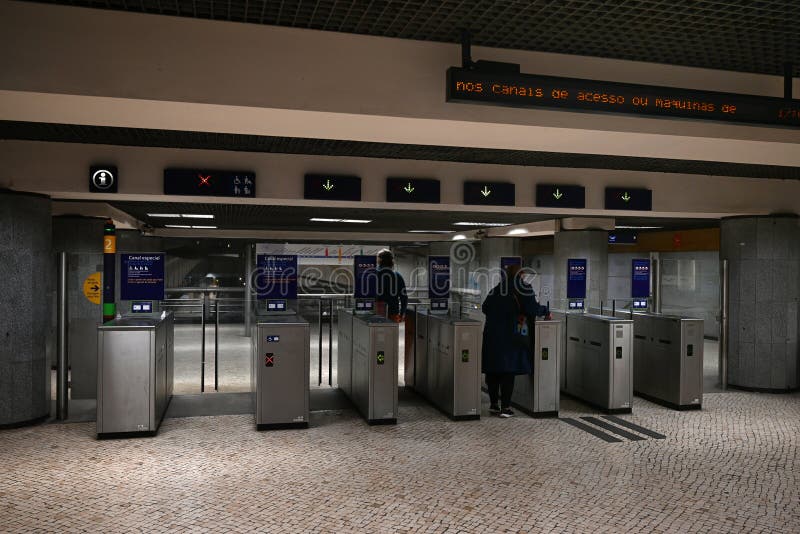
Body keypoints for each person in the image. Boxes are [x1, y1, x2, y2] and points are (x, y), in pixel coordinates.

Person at [481, 263, 551, 418]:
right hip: (511, 334)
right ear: (521, 274)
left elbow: (484, 308)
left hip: (491, 334)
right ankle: (505, 408)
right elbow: (532, 309)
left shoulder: (498, 288)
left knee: (493, 370)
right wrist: (546, 311)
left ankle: (493, 404)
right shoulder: (524, 288)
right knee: (508, 371)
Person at [375, 249, 408, 322]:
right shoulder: (397, 276)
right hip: (393, 312)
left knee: (375, 332)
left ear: (379, 260)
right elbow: (404, 297)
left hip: (377, 311)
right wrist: (402, 313)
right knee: (392, 332)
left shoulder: (374, 274)